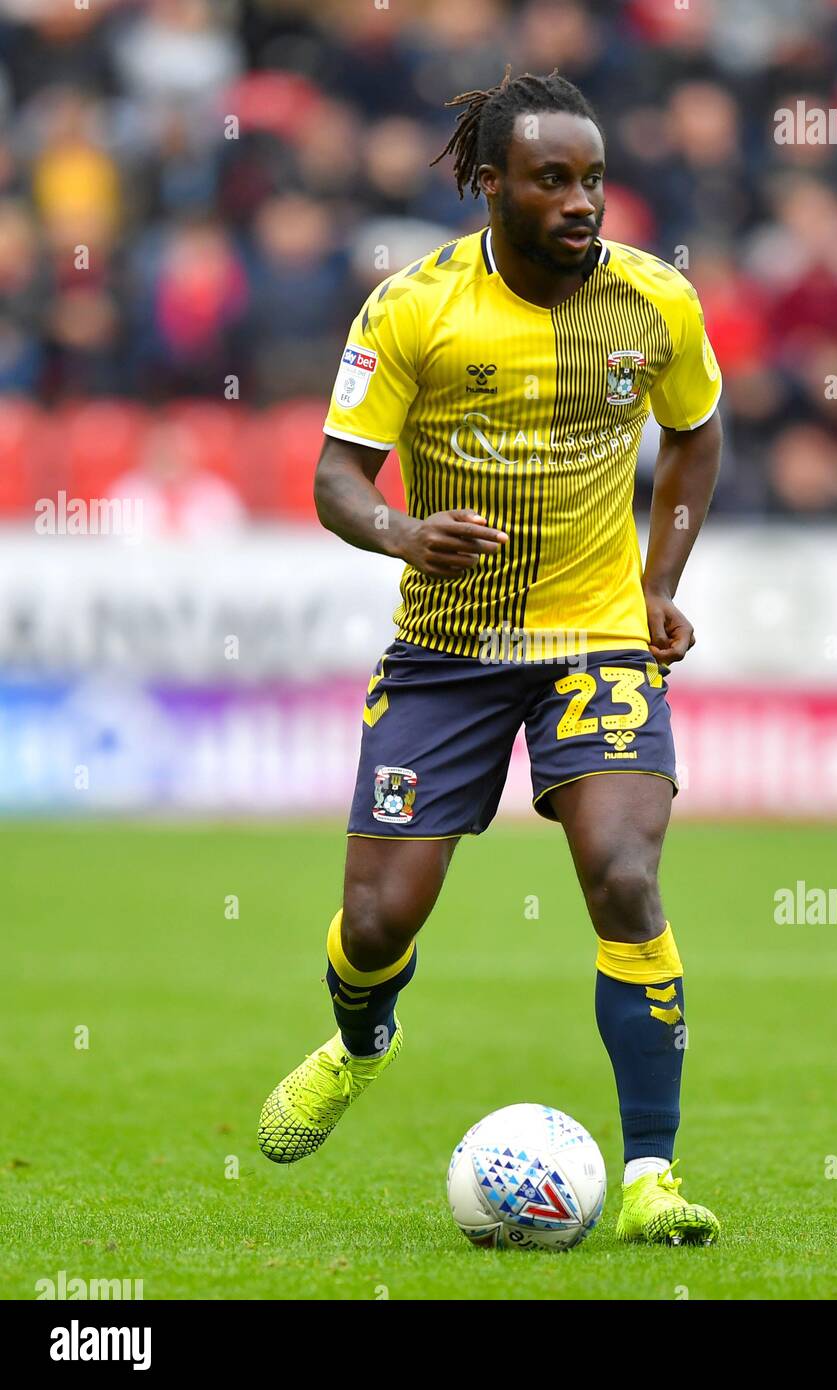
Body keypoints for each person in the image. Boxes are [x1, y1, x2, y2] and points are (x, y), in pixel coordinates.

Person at [258, 67, 724, 1246]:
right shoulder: (413, 307)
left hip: (596, 639)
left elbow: (697, 436)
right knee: (374, 926)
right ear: (489, 186)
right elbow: (334, 481)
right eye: (553, 180)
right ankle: (363, 1041)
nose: (584, 202)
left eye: (596, 179)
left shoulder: (655, 303)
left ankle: (654, 1173)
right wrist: (406, 533)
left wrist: (658, 583)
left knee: (623, 872)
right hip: (448, 648)